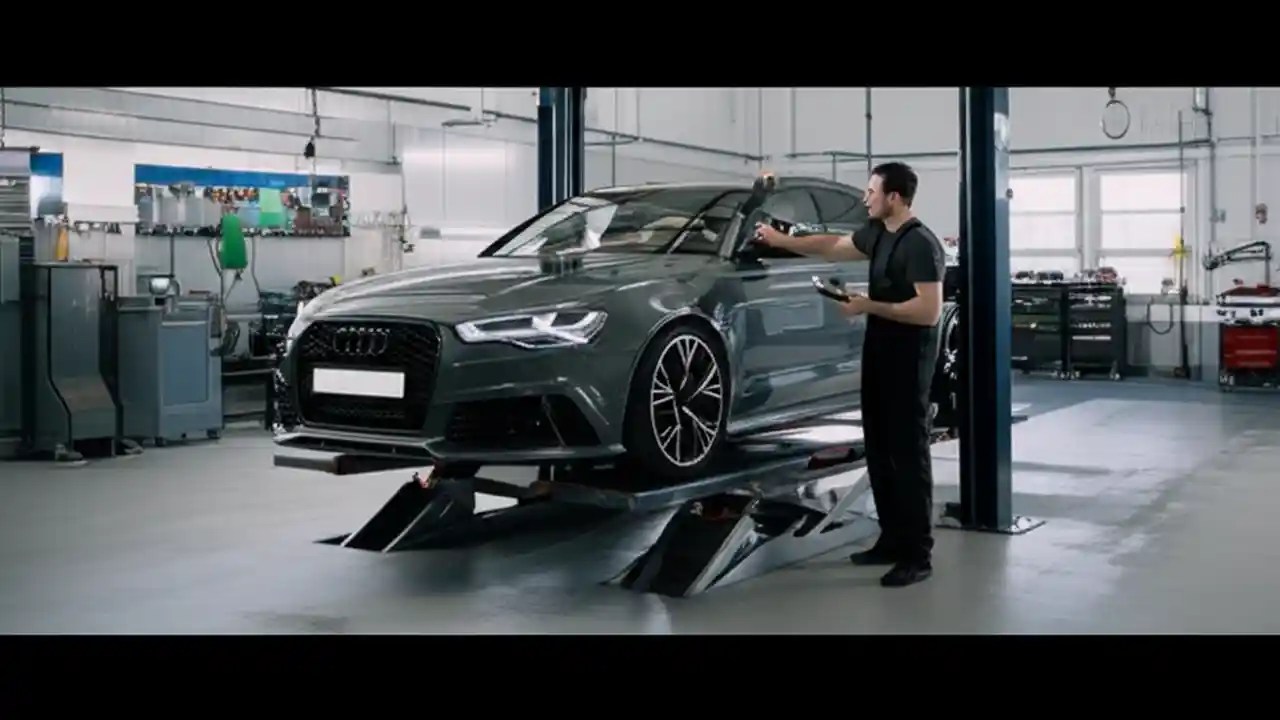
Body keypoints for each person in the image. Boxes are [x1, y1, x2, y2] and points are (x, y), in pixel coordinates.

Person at [752, 162, 945, 588]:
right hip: (878, 351)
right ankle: (892, 540)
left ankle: (918, 554)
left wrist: (866, 305)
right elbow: (833, 245)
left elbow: (928, 311)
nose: (865, 198)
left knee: (907, 455)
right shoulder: (879, 233)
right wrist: (782, 241)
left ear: (894, 197)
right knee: (879, 449)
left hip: (908, 359)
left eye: (872, 191)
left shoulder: (921, 244)